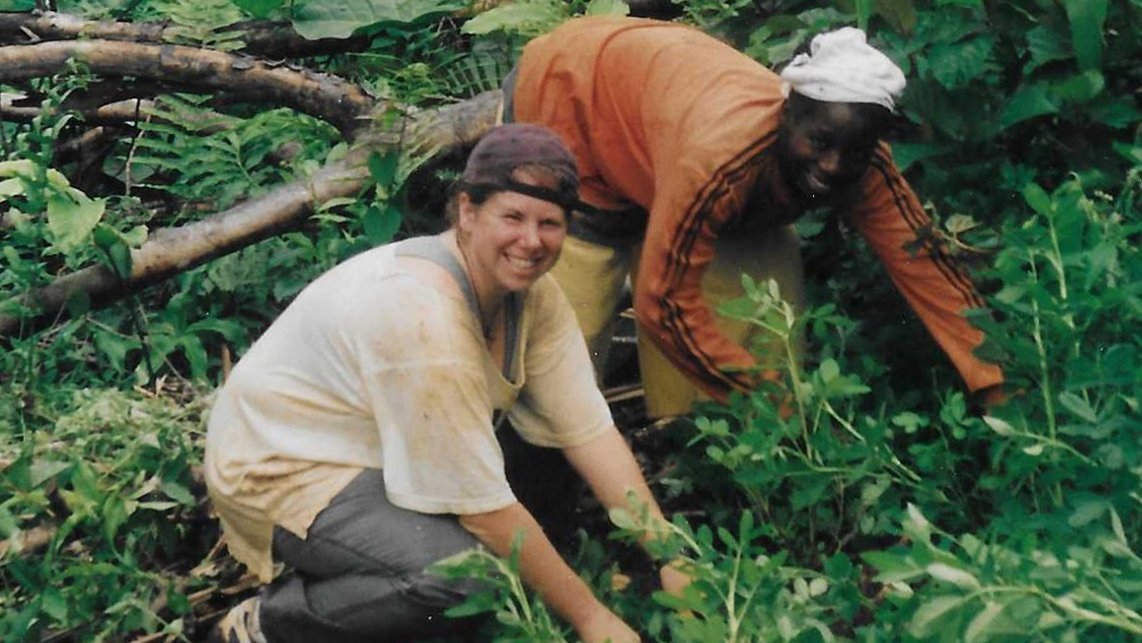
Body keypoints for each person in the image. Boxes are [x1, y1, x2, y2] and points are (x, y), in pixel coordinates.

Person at [203, 123, 688, 643]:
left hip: (377, 449)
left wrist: (672, 554)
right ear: (467, 212)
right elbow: (481, 509)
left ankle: (392, 574)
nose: (531, 241)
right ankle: (269, 623)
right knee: (468, 579)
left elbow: (586, 429)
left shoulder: (532, 297)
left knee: (543, 462)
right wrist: (594, 621)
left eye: (550, 223)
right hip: (281, 468)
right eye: (513, 217)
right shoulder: (422, 311)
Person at [504, 17, 1007, 418]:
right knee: (563, 347)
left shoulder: (863, 164)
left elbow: (927, 266)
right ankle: (543, 483)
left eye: (853, 152)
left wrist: (999, 385)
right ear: (786, 114)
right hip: (580, 103)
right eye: (820, 143)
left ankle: (695, 442)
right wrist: (773, 404)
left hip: (663, 119)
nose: (834, 167)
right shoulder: (721, 161)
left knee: (757, 320)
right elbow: (663, 304)